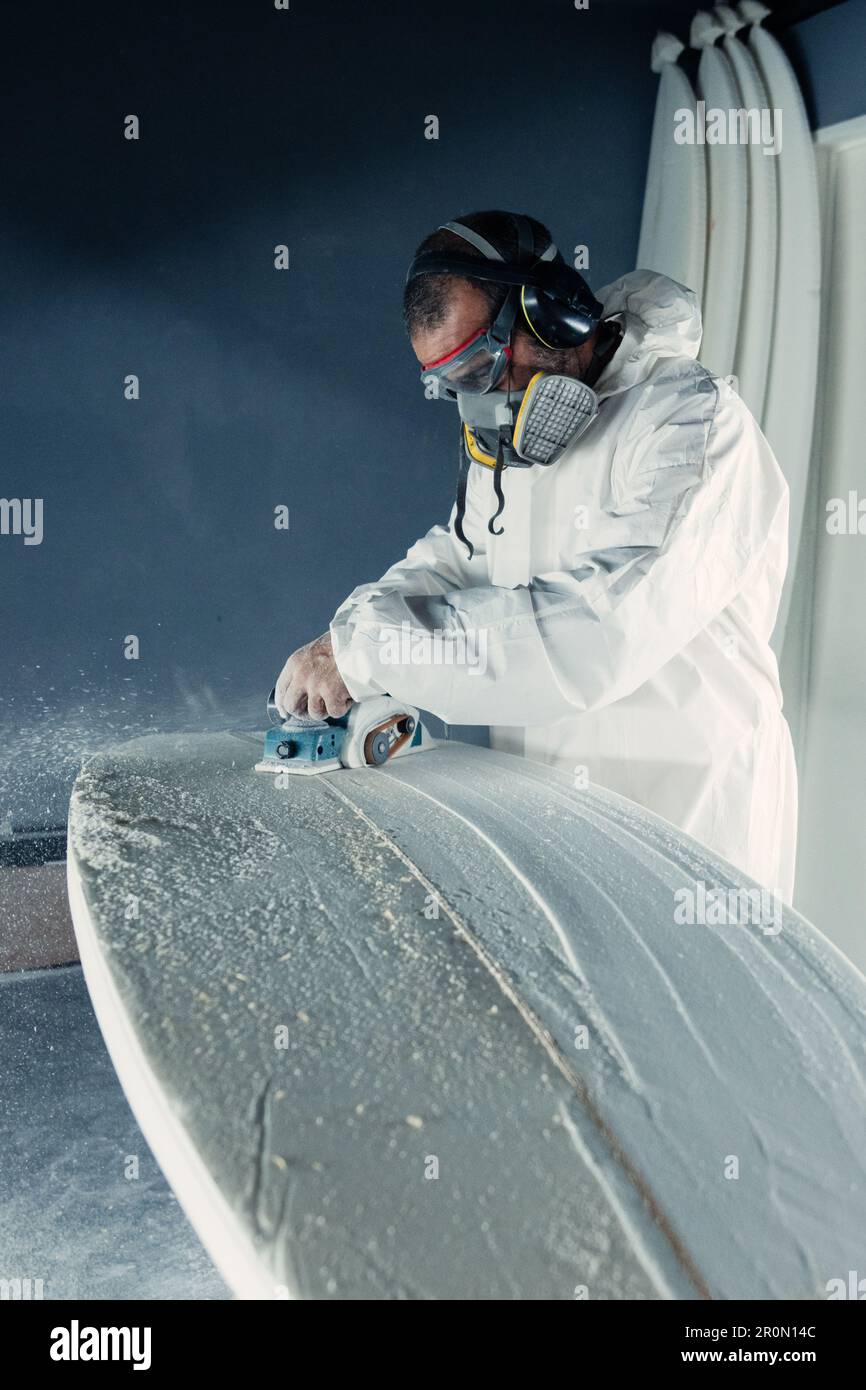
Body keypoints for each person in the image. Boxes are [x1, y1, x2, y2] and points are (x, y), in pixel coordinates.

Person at [274, 210, 797, 900]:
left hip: (693, 825)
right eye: (459, 378)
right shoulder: (515, 451)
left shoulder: (691, 426)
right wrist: (348, 631)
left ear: (554, 312)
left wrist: (369, 650)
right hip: (562, 816)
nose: (487, 396)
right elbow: (459, 559)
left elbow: (600, 631)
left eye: (486, 361)